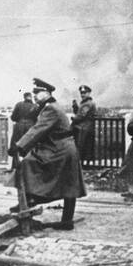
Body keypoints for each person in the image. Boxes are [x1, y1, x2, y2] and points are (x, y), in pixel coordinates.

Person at [11, 78, 85, 229]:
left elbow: (38, 129)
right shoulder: (49, 107)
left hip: (60, 149)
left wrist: (19, 146)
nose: (35, 96)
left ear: (46, 93)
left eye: (38, 93)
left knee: (28, 163)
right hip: (63, 147)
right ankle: (65, 221)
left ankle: (30, 200)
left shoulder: (50, 109)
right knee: (69, 185)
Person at [9, 91, 38, 172]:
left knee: (16, 146)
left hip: (19, 126)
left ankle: (15, 167)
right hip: (31, 127)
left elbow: (13, 117)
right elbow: (37, 119)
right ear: (31, 97)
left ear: (24, 97)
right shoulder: (35, 106)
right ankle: (28, 168)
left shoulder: (19, 105)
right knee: (29, 147)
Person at [71, 85, 98, 164]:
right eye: (81, 93)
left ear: (89, 93)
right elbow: (80, 113)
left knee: (80, 146)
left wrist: (73, 118)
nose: (82, 95)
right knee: (80, 146)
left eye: (84, 93)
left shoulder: (88, 103)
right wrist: (75, 108)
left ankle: (79, 163)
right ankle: (80, 162)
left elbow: (81, 116)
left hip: (84, 128)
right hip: (83, 127)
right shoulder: (85, 103)